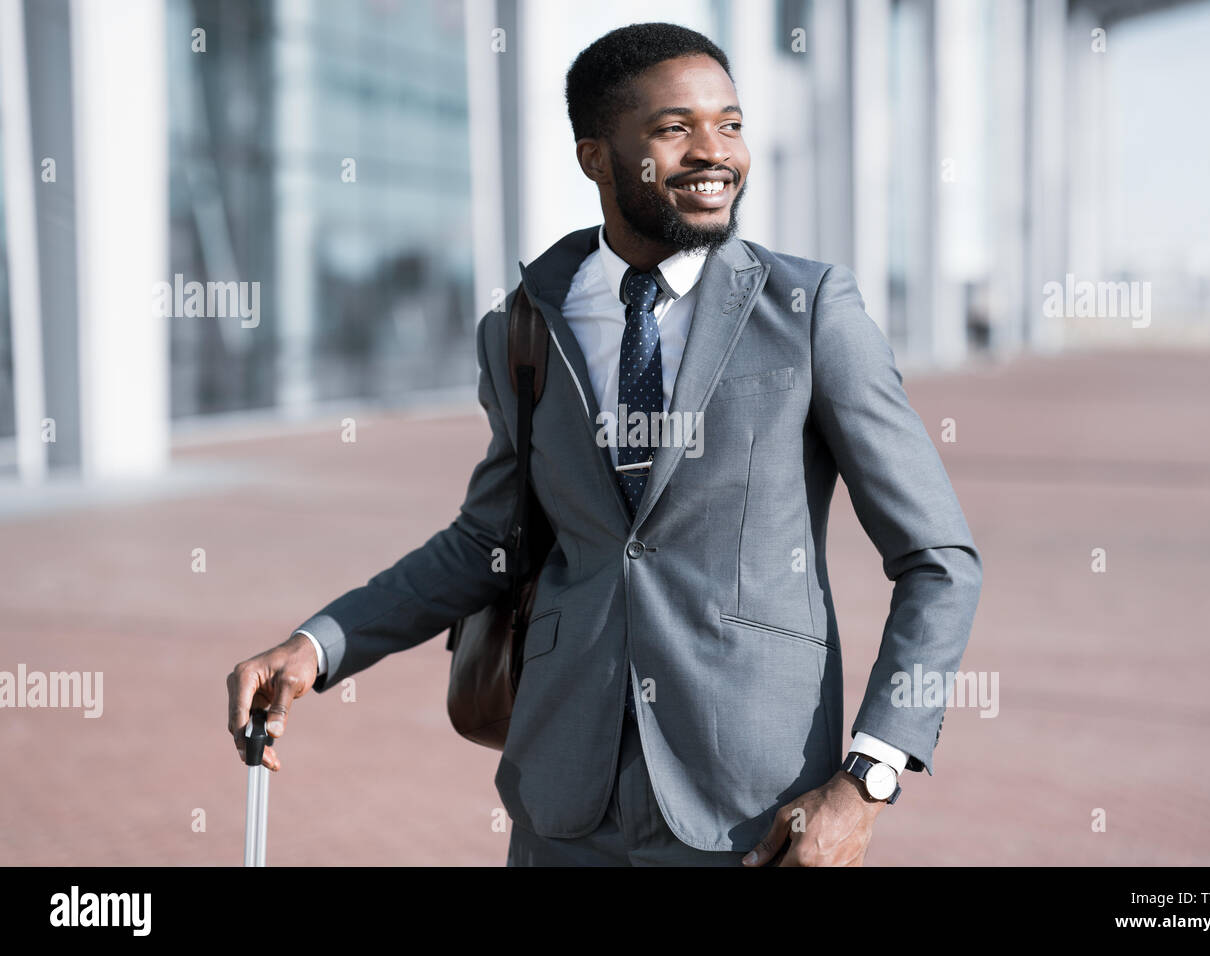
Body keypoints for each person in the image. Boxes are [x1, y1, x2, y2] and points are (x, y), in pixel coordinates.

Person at [226, 21, 981, 867]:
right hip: (563, 798)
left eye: (729, 124)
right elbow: (489, 545)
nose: (713, 152)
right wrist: (321, 644)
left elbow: (939, 560)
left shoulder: (809, 314)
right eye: (674, 128)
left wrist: (868, 778)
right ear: (595, 157)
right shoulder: (524, 326)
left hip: (753, 808)